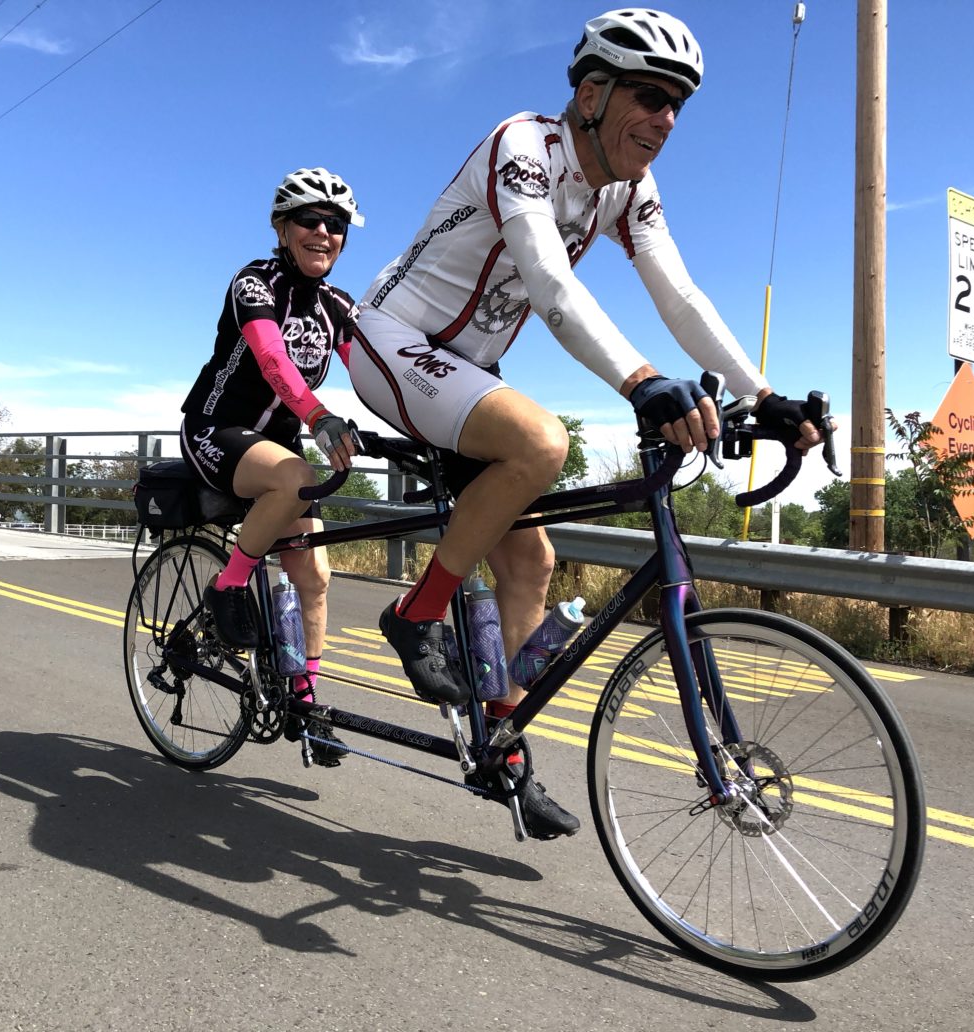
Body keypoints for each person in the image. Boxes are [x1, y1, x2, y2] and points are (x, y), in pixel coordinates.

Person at [348, 9, 826, 836]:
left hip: (467, 369)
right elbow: (551, 286)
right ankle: (416, 613)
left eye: (679, 103)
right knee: (540, 440)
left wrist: (761, 394)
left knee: (532, 562)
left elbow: (679, 294)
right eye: (650, 95)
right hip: (395, 340)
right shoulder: (524, 148)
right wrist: (641, 381)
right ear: (594, 94)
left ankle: (504, 749)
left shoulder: (630, 189)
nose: (667, 118)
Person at [180, 167, 365, 767]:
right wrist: (319, 416)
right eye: (309, 220)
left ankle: (303, 699)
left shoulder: (337, 305)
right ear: (282, 228)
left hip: (279, 446)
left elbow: (378, 372)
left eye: (336, 225)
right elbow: (270, 354)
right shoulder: (253, 281)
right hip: (217, 430)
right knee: (299, 477)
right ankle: (226, 587)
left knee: (314, 579)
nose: (323, 232)